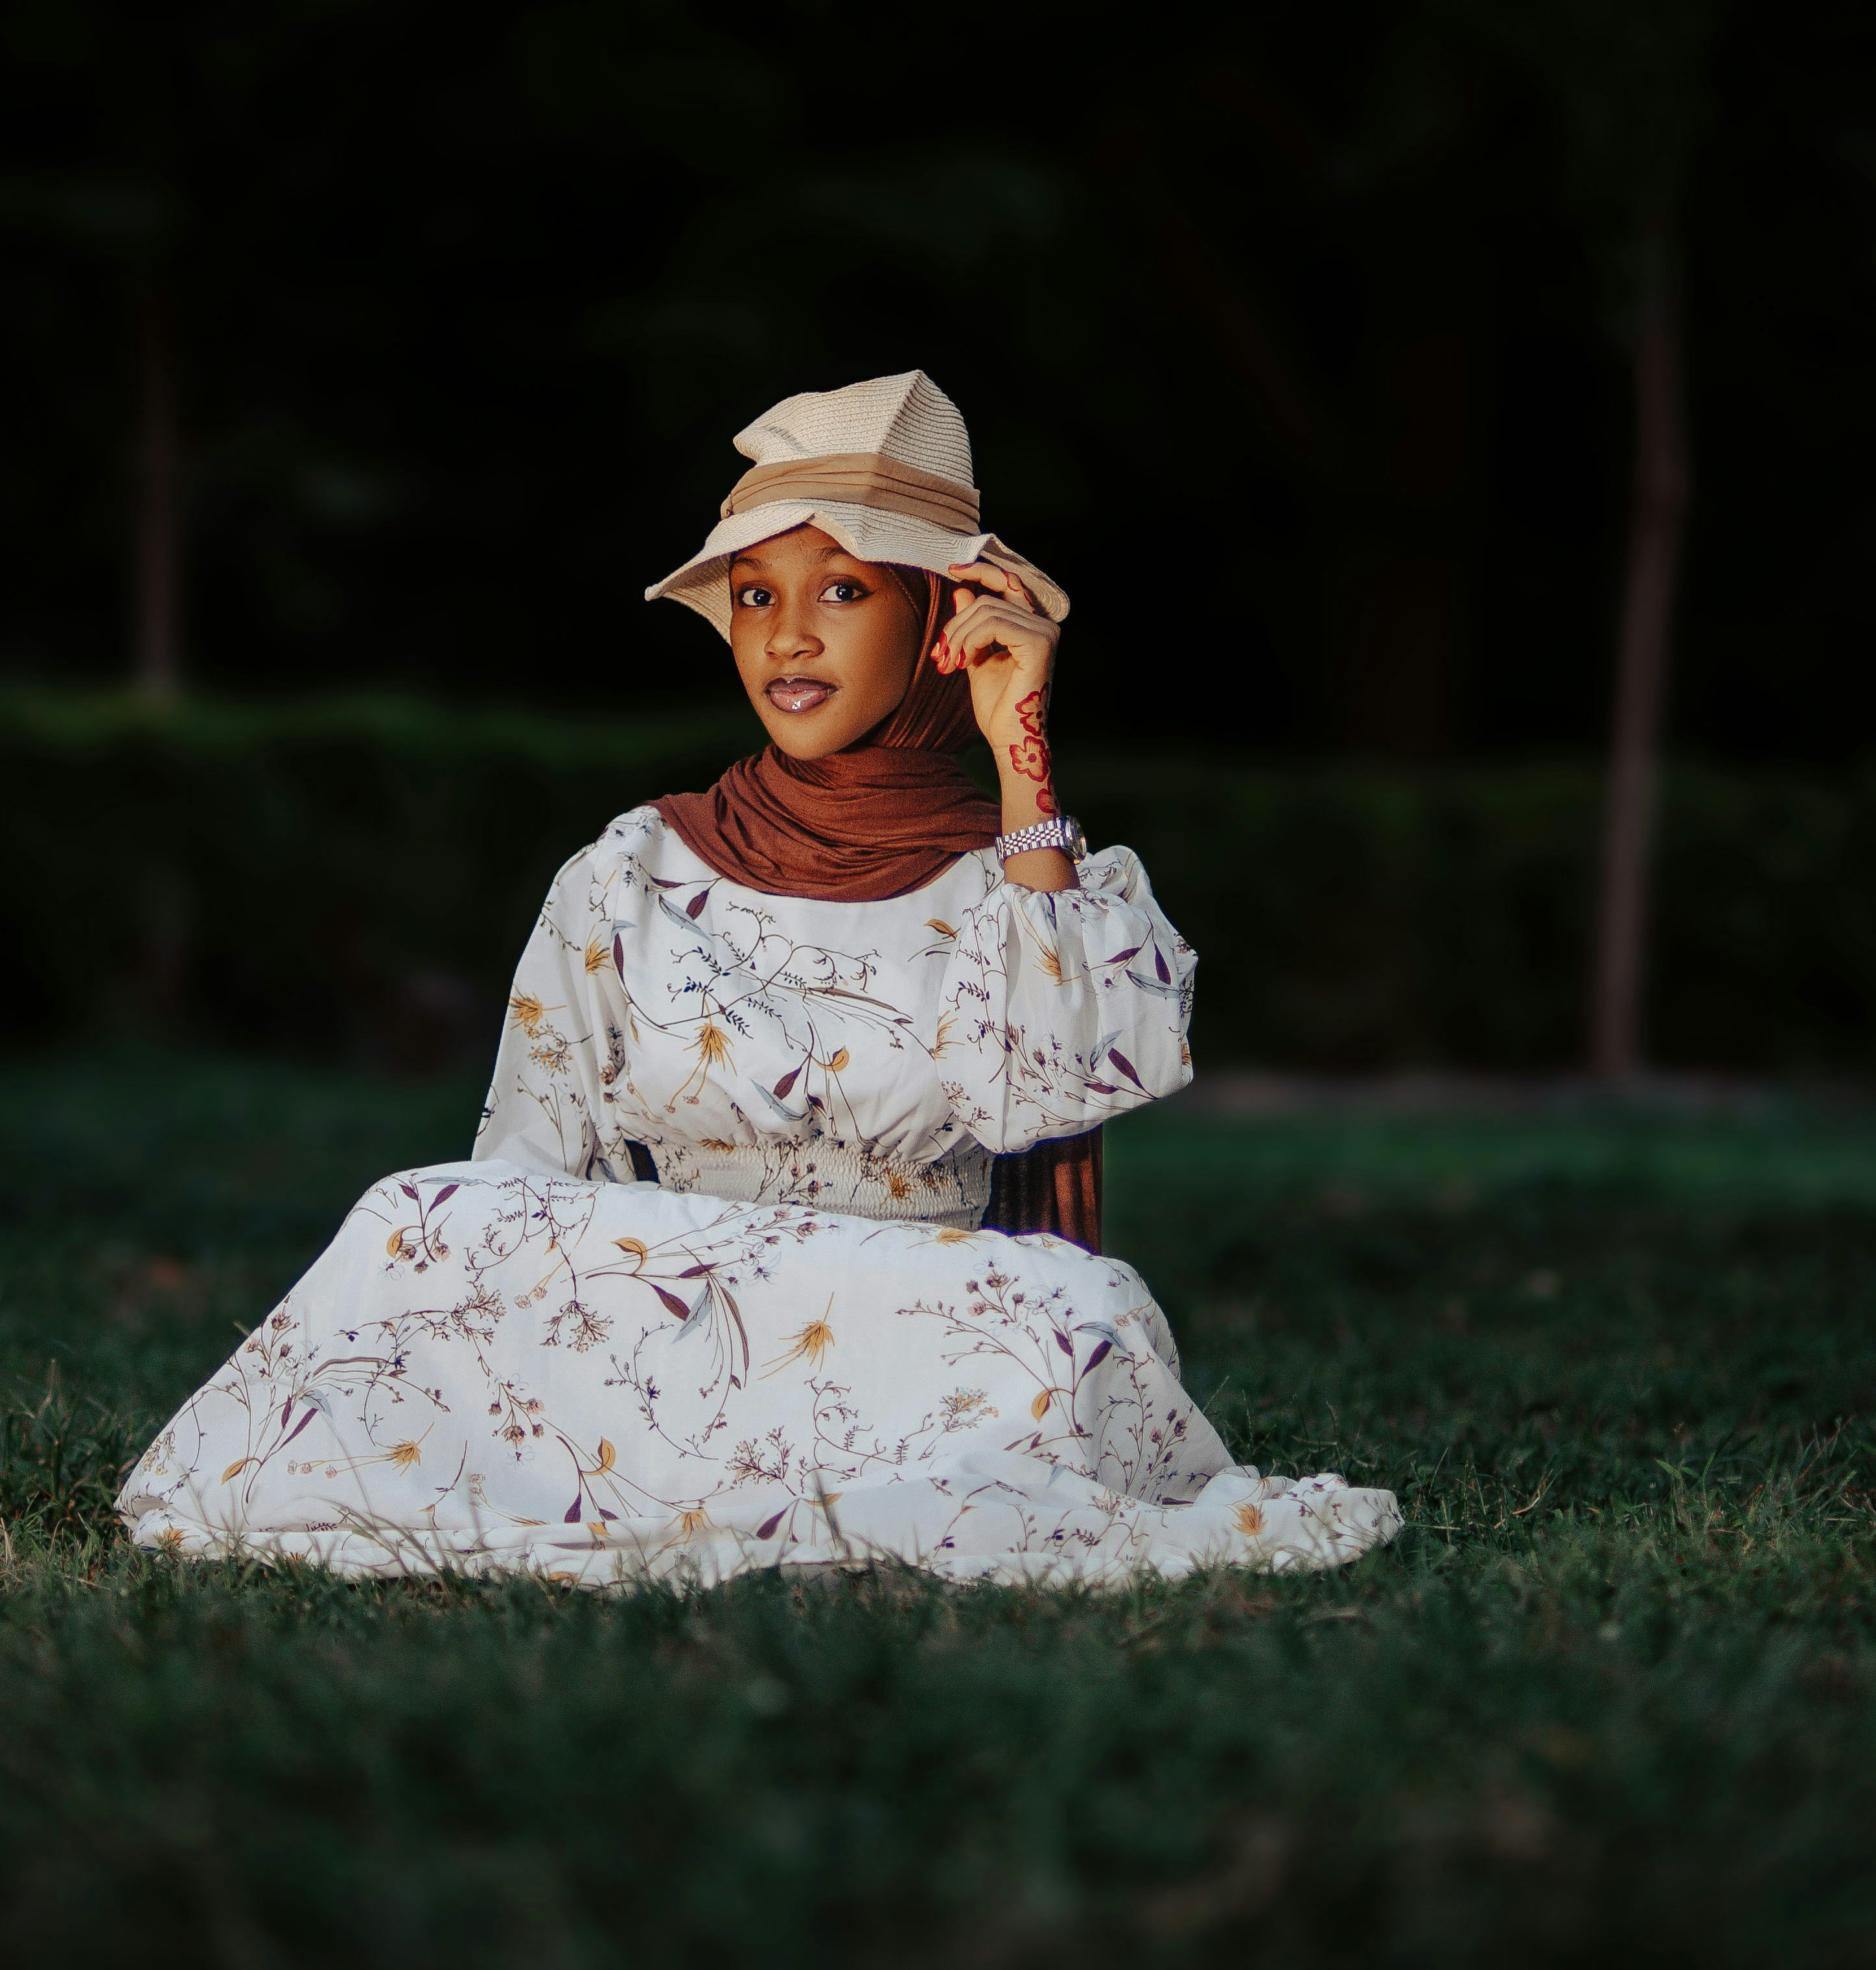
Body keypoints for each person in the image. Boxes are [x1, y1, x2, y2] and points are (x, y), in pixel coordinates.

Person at [115, 372, 1399, 1584]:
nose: (787, 635)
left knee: (1072, 1303)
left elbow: (1052, 1090)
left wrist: (1023, 761)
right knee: (419, 1211)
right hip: (648, 1334)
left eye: (841, 589)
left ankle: (813, 1475)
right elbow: (524, 1176)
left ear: (940, 614)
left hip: (908, 1331)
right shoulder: (632, 872)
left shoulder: (1027, 880)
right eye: (753, 593)